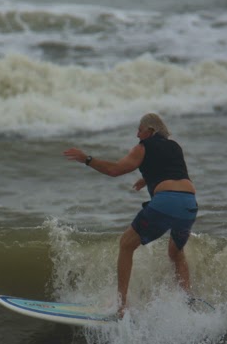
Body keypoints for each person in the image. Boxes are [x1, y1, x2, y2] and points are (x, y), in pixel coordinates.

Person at [63, 113, 198, 315]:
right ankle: (188, 302)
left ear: (150, 131)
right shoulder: (175, 147)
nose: (137, 134)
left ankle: (121, 305)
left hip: (165, 203)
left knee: (126, 244)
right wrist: (147, 179)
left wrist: (87, 159)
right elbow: (175, 172)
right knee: (176, 253)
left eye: (140, 130)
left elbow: (115, 170)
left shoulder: (143, 147)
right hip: (189, 205)